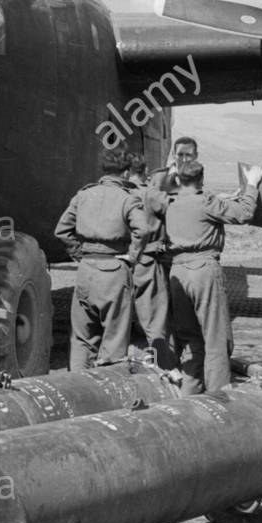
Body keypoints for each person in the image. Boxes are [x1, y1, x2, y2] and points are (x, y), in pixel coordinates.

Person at [157, 159, 262, 394]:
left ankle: (189, 393)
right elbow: (244, 214)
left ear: (178, 179)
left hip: (178, 272)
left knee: (189, 338)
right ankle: (218, 395)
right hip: (203, 269)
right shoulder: (206, 202)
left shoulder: (171, 203)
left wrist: (222, 199)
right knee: (216, 337)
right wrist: (252, 184)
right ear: (202, 179)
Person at [54, 148, 147, 370]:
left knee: (82, 338)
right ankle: (108, 386)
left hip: (86, 269)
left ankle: (78, 384)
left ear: (104, 170)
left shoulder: (83, 195)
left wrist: (80, 255)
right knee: (114, 339)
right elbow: (143, 230)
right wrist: (132, 256)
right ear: (126, 172)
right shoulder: (127, 199)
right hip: (114, 269)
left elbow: (62, 230)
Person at [125, 151, 173, 368]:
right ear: (145, 171)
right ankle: (163, 369)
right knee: (155, 320)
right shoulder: (150, 194)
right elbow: (177, 209)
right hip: (146, 261)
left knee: (118, 322)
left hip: (120, 261)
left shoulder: (119, 193)